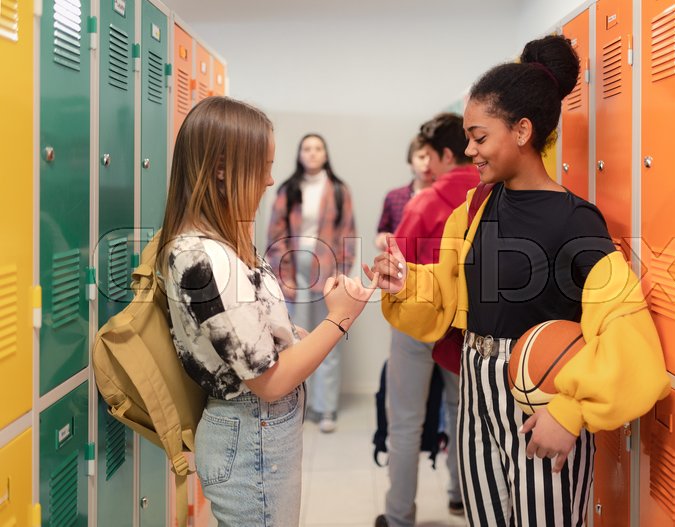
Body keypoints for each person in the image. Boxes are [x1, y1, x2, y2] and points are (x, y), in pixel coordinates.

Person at [367, 36, 670, 526]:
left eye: (479, 137)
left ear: (523, 131)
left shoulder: (575, 220)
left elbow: (626, 331)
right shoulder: (475, 206)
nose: (469, 151)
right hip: (475, 391)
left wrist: (570, 412)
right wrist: (404, 281)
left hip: (542, 399)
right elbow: (449, 291)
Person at [158, 97, 376, 526]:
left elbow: (256, 334)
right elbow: (270, 382)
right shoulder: (204, 258)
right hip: (251, 439)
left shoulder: (222, 245)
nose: (270, 179)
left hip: (258, 435)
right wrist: (340, 317)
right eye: (263, 165)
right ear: (222, 168)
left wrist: (302, 330)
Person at [375, 114, 480, 527]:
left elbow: (395, 264)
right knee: (462, 415)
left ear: (446, 155)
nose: (427, 166)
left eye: (431, 157)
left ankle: (399, 515)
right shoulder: (492, 196)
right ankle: (460, 498)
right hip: (466, 325)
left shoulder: (425, 202)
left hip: (416, 324)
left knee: (405, 421)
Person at [266, 134, 357, 433]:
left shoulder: (340, 191)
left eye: (318, 148)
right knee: (295, 340)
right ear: (300, 154)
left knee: (329, 337)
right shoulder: (288, 189)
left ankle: (326, 407)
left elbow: (348, 235)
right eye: (307, 148)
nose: (313, 153)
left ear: (325, 154)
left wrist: (341, 273)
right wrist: (285, 276)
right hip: (295, 268)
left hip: (328, 268)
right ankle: (298, 406)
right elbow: (276, 235)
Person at [374, 136, 432, 251]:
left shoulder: (443, 196)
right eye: (421, 157)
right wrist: (384, 239)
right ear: (411, 161)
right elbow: (382, 232)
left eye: (431, 157)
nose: (427, 163)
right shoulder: (394, 197)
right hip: (400, 257)